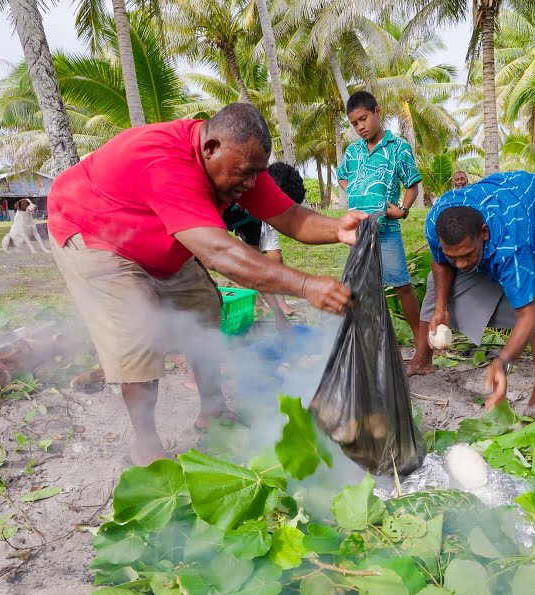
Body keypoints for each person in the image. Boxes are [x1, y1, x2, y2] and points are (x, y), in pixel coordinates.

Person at [47, 102, 364, 467]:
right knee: (138, 332)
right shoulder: (165, 163)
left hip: (154, 235)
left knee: (203, 305)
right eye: (245, 174)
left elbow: (290, 216)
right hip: (93, 232)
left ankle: (212, 410)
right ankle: (146, 446)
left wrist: (336, 228)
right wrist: (308, 286)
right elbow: (219, 254)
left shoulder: (238, 160)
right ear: (210, 147)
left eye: (256, 174)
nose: (250, 184)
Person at [408, 171, 535, 421]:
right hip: (499, 197)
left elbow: (529, 312)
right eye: (454, 256)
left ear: (484, 233)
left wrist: (503, 361)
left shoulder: (509, 241)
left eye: (467, 254)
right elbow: (440, 262)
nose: (460, 265)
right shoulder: (434, 223)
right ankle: (422, 360)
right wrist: (441, 307)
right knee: (433, 285)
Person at [336, 90, 426, 355]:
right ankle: (369, 344)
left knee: (401, 285)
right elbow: (342, 177)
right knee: (361, 287)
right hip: (358, 232)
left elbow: (412, 187)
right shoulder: (353, 152)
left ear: (377, 112)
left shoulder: (398, 147)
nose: (360, 127)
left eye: (363, 119)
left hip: (386, 230)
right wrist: (354, 190)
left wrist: (403, 210)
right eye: (354, 124)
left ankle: (422, 346)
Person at [221, 161, 306, 329]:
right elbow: (216, 252)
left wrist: (278, 315)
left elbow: (254, 267)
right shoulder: (227, 191)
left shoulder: (254, 219)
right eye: (280, 209)